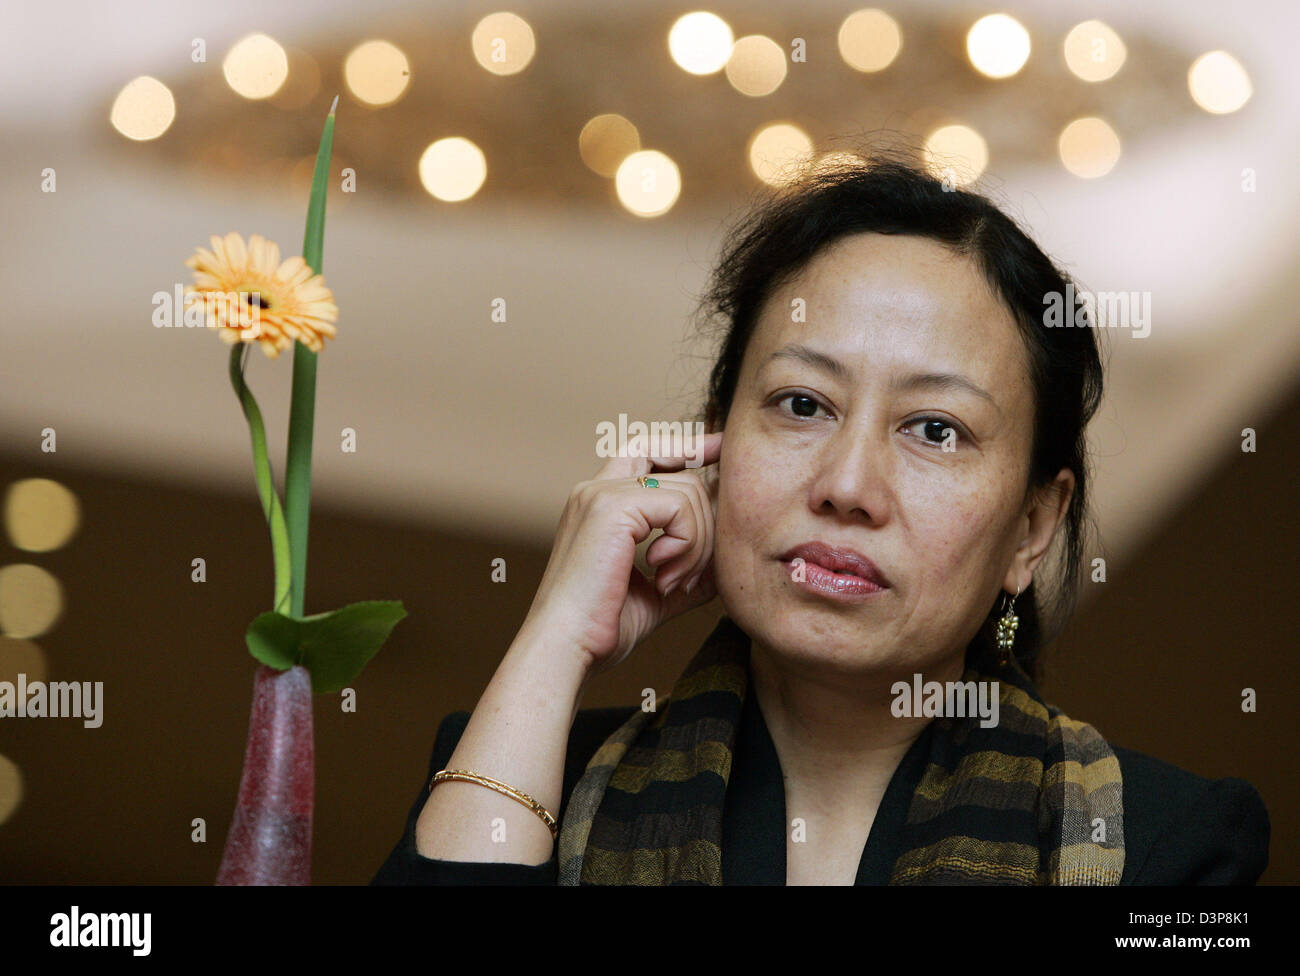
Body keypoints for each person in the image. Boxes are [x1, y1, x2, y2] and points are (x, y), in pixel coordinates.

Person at [373, 153, 1269, 885]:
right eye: (802, 405)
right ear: (712, 449)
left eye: (934, 429)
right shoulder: (533, 778)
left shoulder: (1166, 845)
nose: (848, 484)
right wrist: (557, 633)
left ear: (1033, 529)